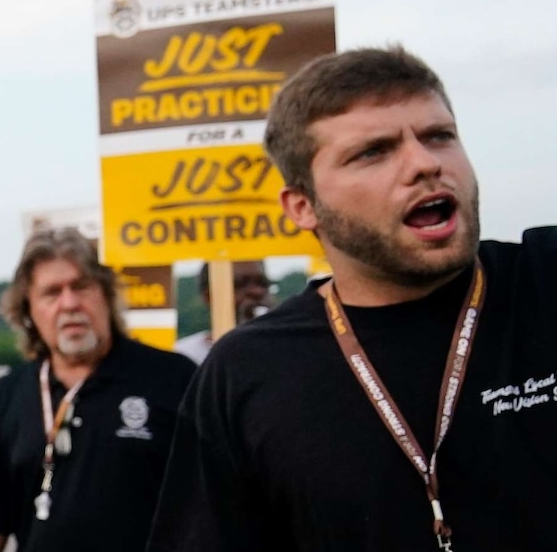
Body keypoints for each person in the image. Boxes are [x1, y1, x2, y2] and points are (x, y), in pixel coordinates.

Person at [147, 46, 557, 551]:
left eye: (439, 136)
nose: (425, 164)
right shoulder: (246, 373)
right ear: (302, 206)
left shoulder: (545, 278)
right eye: (374, 152)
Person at [0, 228, 196, 552]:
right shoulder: (6, 397)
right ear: (28, 311)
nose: (69, 303)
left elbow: (213, 509)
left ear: (106, 295)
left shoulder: (174, 378)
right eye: (52, 293)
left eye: (81, 286)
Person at [171, 260, 273, 364]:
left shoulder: (285, 350)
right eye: (239, 284)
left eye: (263, 284)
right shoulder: (184, 357)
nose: (257, 291)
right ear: (209, 297)